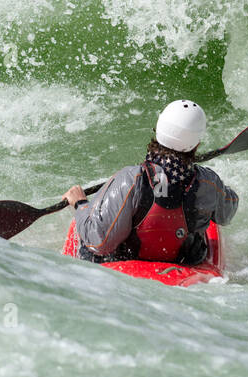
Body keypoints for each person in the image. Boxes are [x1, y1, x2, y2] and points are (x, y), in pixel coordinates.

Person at [63, 100, 238, 265]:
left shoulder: (130, 179)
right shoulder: (208, 183)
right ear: (196, 144)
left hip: (128, 263)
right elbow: (227, 214)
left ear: (158, 129)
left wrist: (80, 204)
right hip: (181, 265)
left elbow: (99, 243)